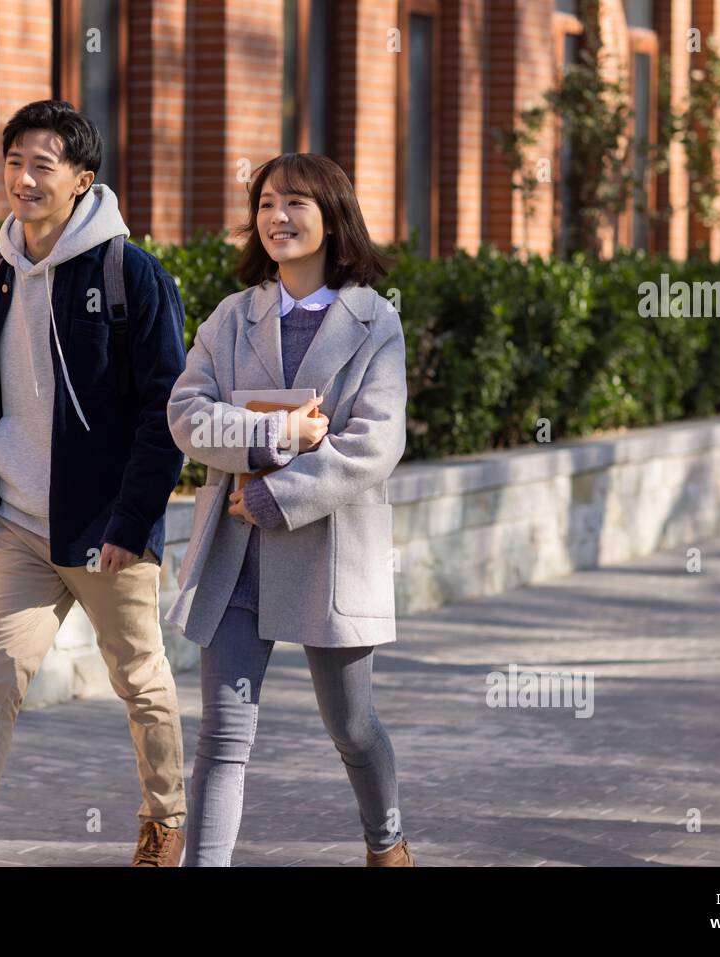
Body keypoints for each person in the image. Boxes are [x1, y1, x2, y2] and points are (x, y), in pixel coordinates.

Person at [0, 100, 189, 865]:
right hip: (20, 523)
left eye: (42, 165)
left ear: (82, 180)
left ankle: (164, 825)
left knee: (141, 682)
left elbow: (168, 409)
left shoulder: (130, 273)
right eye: (14, 161)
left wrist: (133, 520)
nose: (24, 178)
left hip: (105, 528)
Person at [165, 152, 414, 865]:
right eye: (267, 202)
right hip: (236, 555)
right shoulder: (232, 316)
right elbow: (186, 413)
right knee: (222, 737)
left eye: (296, 203)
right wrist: (274, 434)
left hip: (328, 549)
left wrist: (276, 493)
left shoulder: (374, 322)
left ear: (333, 218)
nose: (278, 216)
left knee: (352, 724)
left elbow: (375, 442)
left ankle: (387, 842)